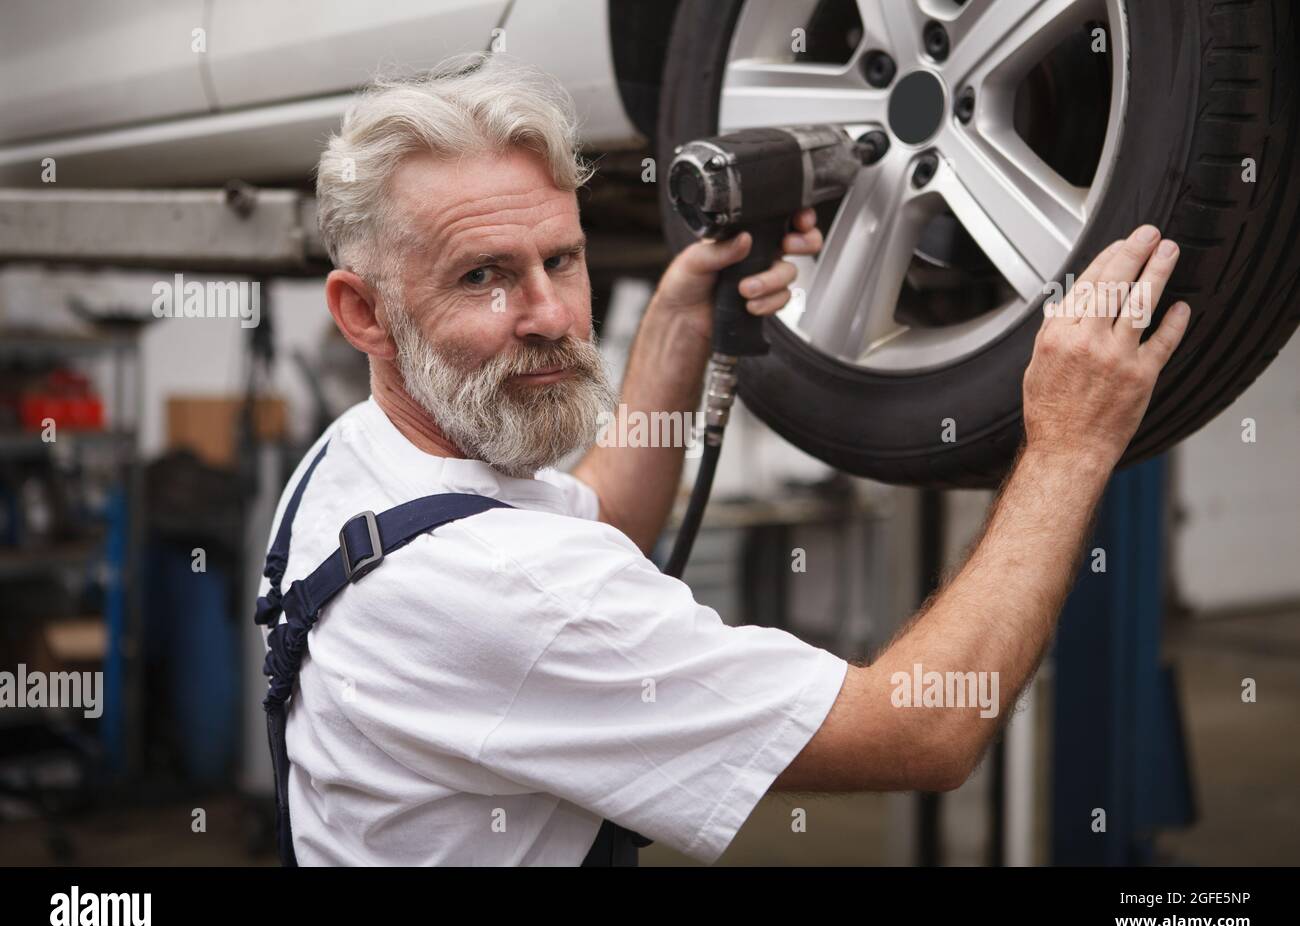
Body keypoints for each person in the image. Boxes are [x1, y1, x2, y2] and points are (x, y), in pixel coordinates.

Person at [259, 53, 1190, 865]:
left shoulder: (351, 465)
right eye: (484, 276)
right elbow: (924, 731)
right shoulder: (507, 595)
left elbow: (599, 518)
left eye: (564, 259)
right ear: (362, 313)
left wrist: (678, 317)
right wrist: (1070, 443)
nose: (549, 316)